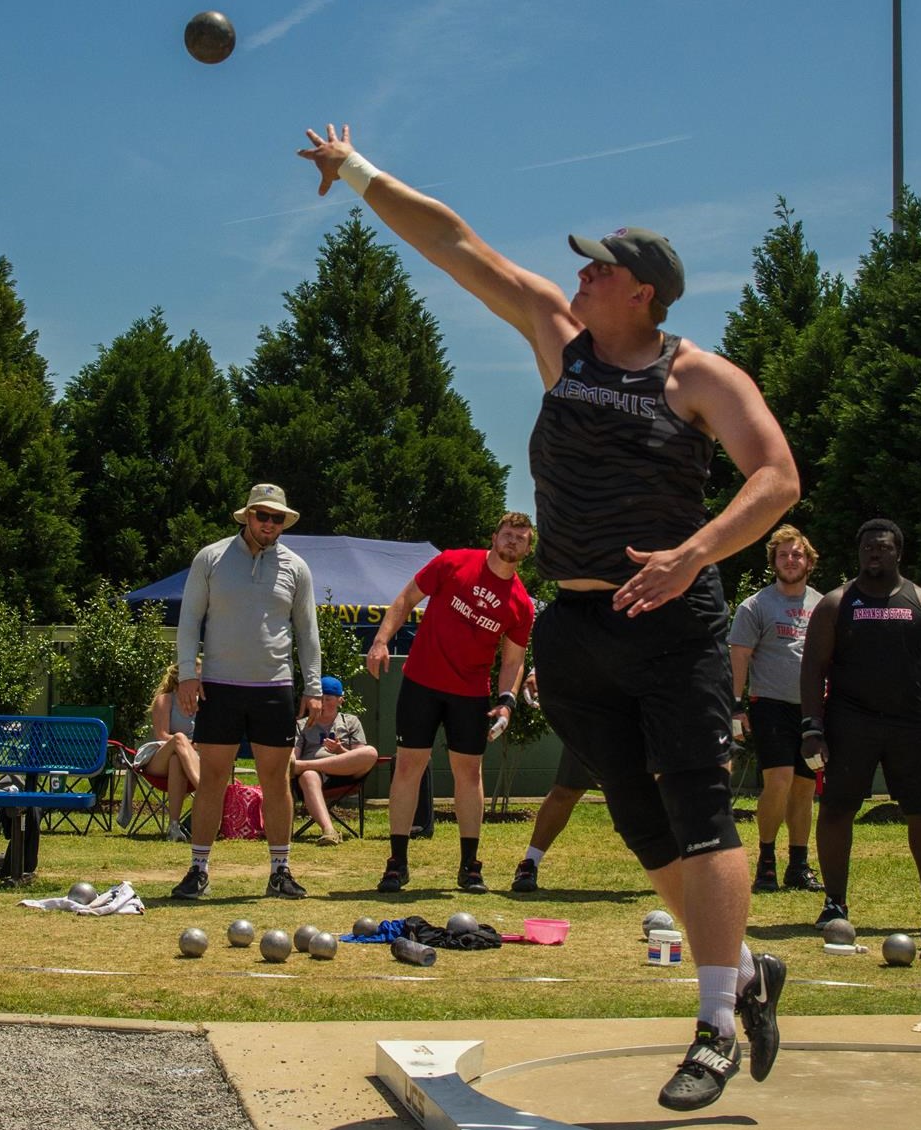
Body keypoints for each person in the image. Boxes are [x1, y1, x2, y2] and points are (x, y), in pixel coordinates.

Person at [299, 124, 797, 1111]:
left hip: (674, 621)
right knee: (637, 815)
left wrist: (693, 552)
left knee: (698, 806)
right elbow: (453, 243)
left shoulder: (696, 375)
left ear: (641, 290)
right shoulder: (556, 340)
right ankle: (740, 966)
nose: (575, 277)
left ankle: (709, 1028)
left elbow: (776, 476)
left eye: (596, 270)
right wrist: (356, 174)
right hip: (573, 631)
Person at [799, 520, 921, 934]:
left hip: (913, 726)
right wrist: (811, 727)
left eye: (883, 548)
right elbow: (812, 669)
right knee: (838, 810)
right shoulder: (836, 604)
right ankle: (834, 904)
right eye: (867, 549)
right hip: (850, 722)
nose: (875, 554)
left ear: (898, 553)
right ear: (858, 554)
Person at [365, 515, 535, 893]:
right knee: (409, 765)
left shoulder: (521, 604)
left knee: (469, 773)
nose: (512, 542)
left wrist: (506, 701)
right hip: (421, 683)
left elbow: (512, 661)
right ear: (493, 537)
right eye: (507, 534)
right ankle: (397, 863)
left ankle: (469, 867)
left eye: (520, 539)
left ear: (527, 550)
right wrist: (380, 641)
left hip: (470, 694)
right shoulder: (453, 562)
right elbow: (405, 599)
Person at [171, 483, 321, 901]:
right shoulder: (211, 558)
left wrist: (313, 685)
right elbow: (189, 621)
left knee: (277, 779)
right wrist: (187, 675)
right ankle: (197, 869)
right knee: (212, 780)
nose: (269, 524)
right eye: (262, 516)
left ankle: (281, 871)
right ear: (246, 516)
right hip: (219, 687)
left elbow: (308, 633)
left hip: (274, 689)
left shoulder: (297, 567)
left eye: (277, 518)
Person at [729, 525, 824, 894]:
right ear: (774, 562)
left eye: (796, 554)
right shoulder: (755, 606)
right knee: (779, 781)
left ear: (809, 561)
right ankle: (766, 861)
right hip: (768, 705)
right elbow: (739, 657)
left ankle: (798, 866)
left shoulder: (823, 605)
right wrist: (736, 706)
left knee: (804, 788)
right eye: (783, 555)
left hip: (813, 708)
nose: (790, 560)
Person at [509, 669, 599, 893]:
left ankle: (682, 866)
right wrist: (536, 671)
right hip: (597, 713)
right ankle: (529, 864)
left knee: (662, 790)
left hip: (645, 707)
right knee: (567, 789)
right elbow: (561, 635)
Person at [290, 675, 381, 845]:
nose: (323, 703)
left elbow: (359, 757)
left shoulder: (350, 722)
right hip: (315, 778)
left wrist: (340, 750)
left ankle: (307, 766)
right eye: (320, 698)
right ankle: (329, 831)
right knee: (308, 774)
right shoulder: (302, 725)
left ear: (340, 700)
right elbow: (293, 758)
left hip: (345, 776)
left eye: (328, 699)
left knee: (371, 753)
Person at [134, 663, 202, 842]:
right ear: (182, 678)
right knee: (178, 739)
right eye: (197, 676)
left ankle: (174, 827)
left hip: (188, 760)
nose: (200, 680)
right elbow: (162, 735)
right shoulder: (165, 700)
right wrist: (190, 744)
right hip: (159, 759)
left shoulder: (202, 702)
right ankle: (205, 790)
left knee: (176, 761)